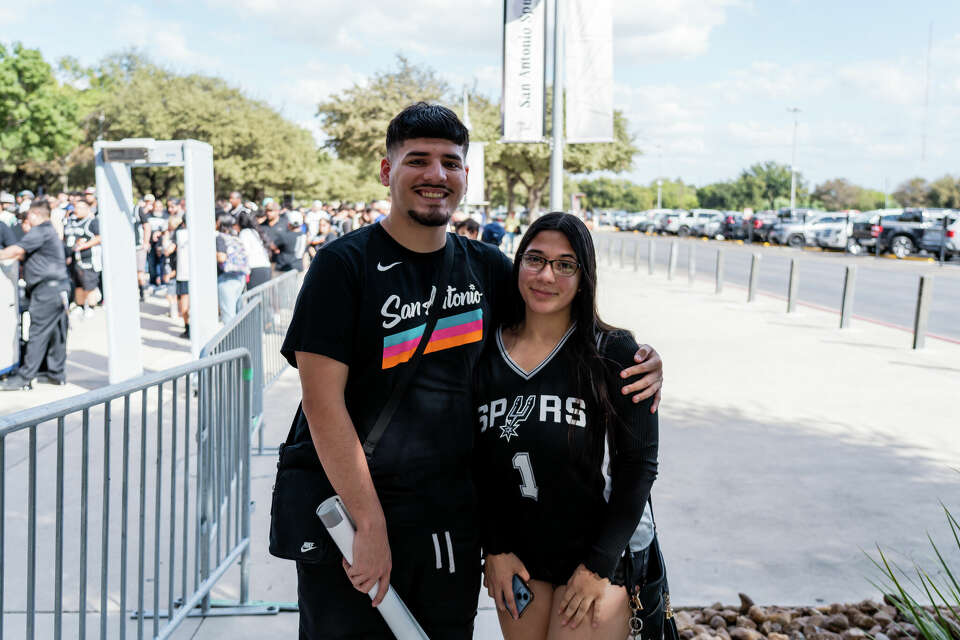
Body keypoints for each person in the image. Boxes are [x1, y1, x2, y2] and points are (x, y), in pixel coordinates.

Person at [279, 102, 664, 639]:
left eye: (450, 162)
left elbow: (556, 313)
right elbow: (323, 405)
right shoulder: (343, 267)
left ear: (464, 175)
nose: (436, 175)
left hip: (450, 524)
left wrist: (639, 357)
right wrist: (368, 524)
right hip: (360, 516)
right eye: (418, 160)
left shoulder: (486, 267)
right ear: (388, 171)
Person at [477, 213, 658, 639]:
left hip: (591, 555)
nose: (546, 275)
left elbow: (637, 468)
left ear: (584, 276)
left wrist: (599, 566)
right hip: (518, 558)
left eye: (565, 264)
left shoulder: (613, 351)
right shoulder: (485, 351)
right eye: (535, 259)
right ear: (517, 263)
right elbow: (475, 463)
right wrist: (495, 548)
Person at [0, 199, 70, 390]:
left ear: (34, 215)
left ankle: (24, 377)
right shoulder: (48, 231)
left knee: (37, 332)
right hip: (58, 288)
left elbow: (17, 250)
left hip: (47, 290)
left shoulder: (40, 230)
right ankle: (55, 373)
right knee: (57, 333)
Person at [62, 201, 102, 318]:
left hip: (88, 259)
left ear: (87, 209)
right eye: (76, 207)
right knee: (78, 284)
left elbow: (99, 237)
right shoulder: (71, 221)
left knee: (89, 284)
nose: (76, 210)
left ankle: (90, 307)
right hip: (74, 259)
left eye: (80, 208)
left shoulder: (92, 222)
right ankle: (79, 305)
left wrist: (85, 245)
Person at [215, 213, 249, 323]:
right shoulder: (235, 237)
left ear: (219, 223)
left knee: (228, 315)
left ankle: (230, 340)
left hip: (227, 278)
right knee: (238, 312)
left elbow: (221, 258)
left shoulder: (220, 237)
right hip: (240, 276)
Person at [237, 211, 272, 290]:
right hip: (265, 267)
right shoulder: (255, 231)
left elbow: (244, 252)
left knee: (254, 299)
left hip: (255, 269)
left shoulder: (244, 233)